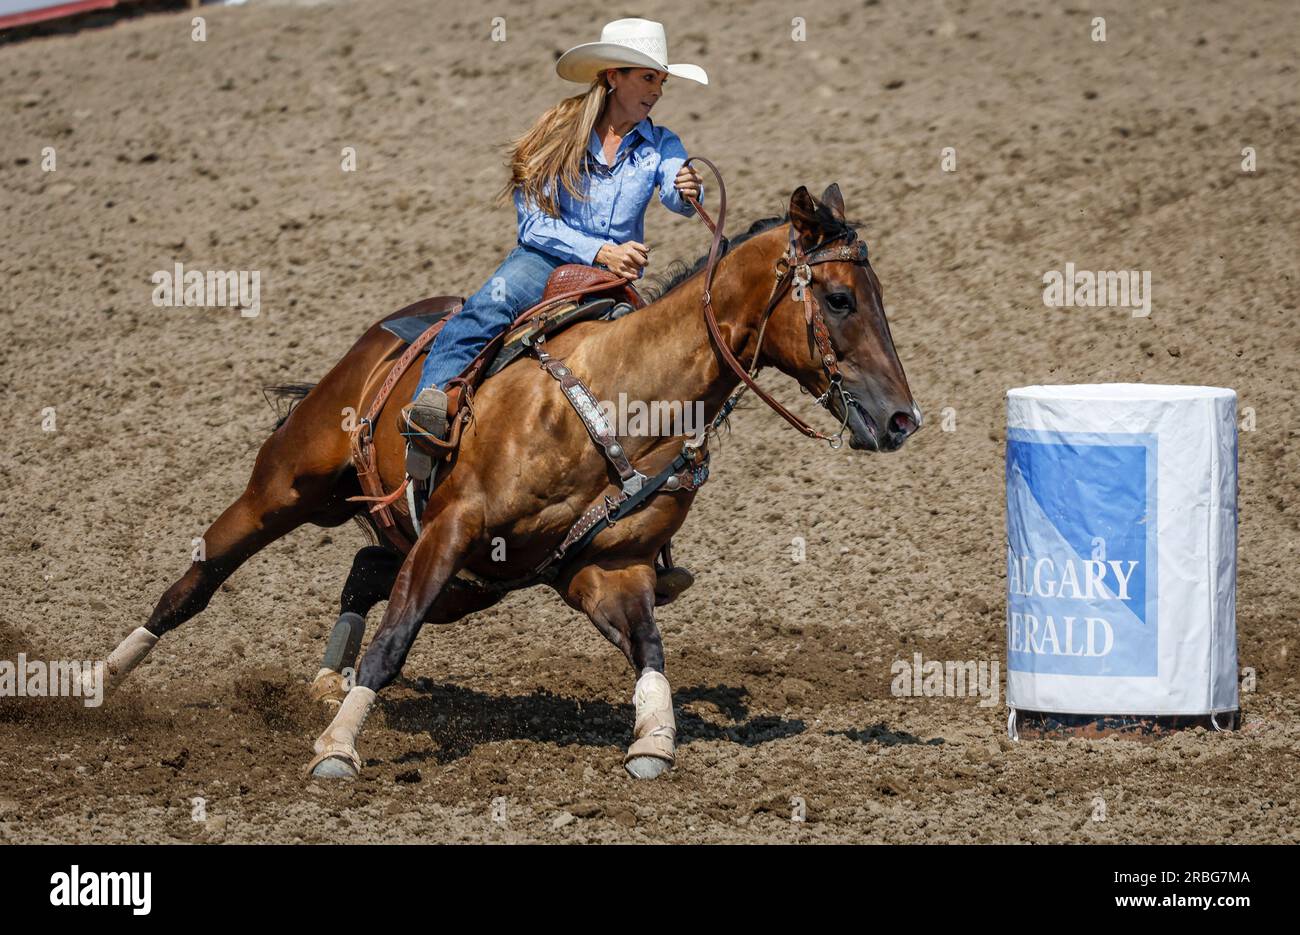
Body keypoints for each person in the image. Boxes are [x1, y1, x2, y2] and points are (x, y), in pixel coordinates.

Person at [403, 17, 708, 447]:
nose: (657, 90)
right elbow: (534, 224)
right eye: (646, 78)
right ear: (612, 77)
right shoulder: (560, 133)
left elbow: (677, 193)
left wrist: (689, 187)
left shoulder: (662, 143)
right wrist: (602, 251)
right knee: (487, 310)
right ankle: (428, 405)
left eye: (660, 80)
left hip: (612, 275)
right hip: (543, 260)